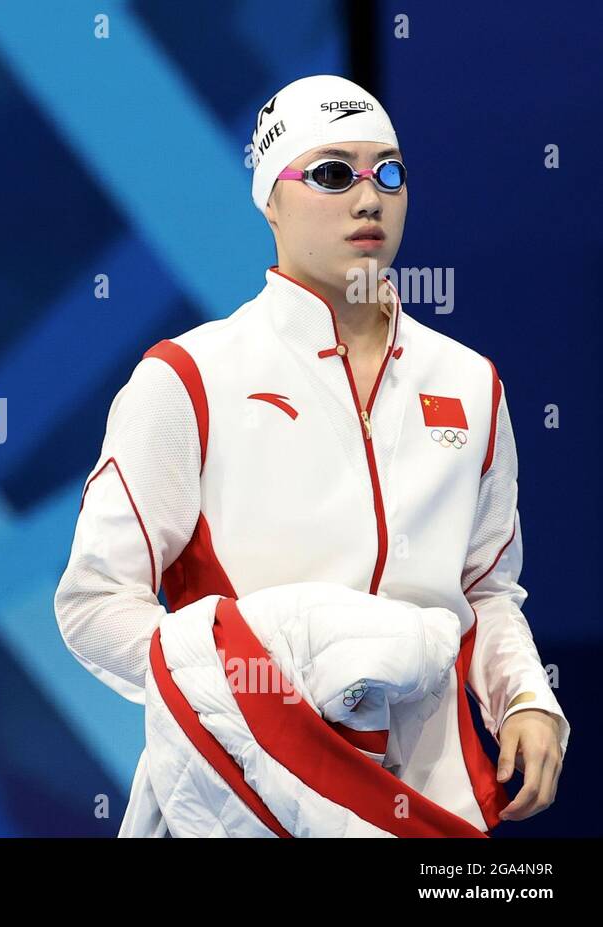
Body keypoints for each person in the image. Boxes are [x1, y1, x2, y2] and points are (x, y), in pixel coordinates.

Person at [53, 74, 568, 836]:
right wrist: (255, 681)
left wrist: (526, 696)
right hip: (245, 800)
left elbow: (488, 589)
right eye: (332, 173)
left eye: (388, 171)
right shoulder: (189, 377)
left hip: (433, 806)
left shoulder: (469, 380)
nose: (369, 197)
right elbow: (94, 605)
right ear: (270, 198)